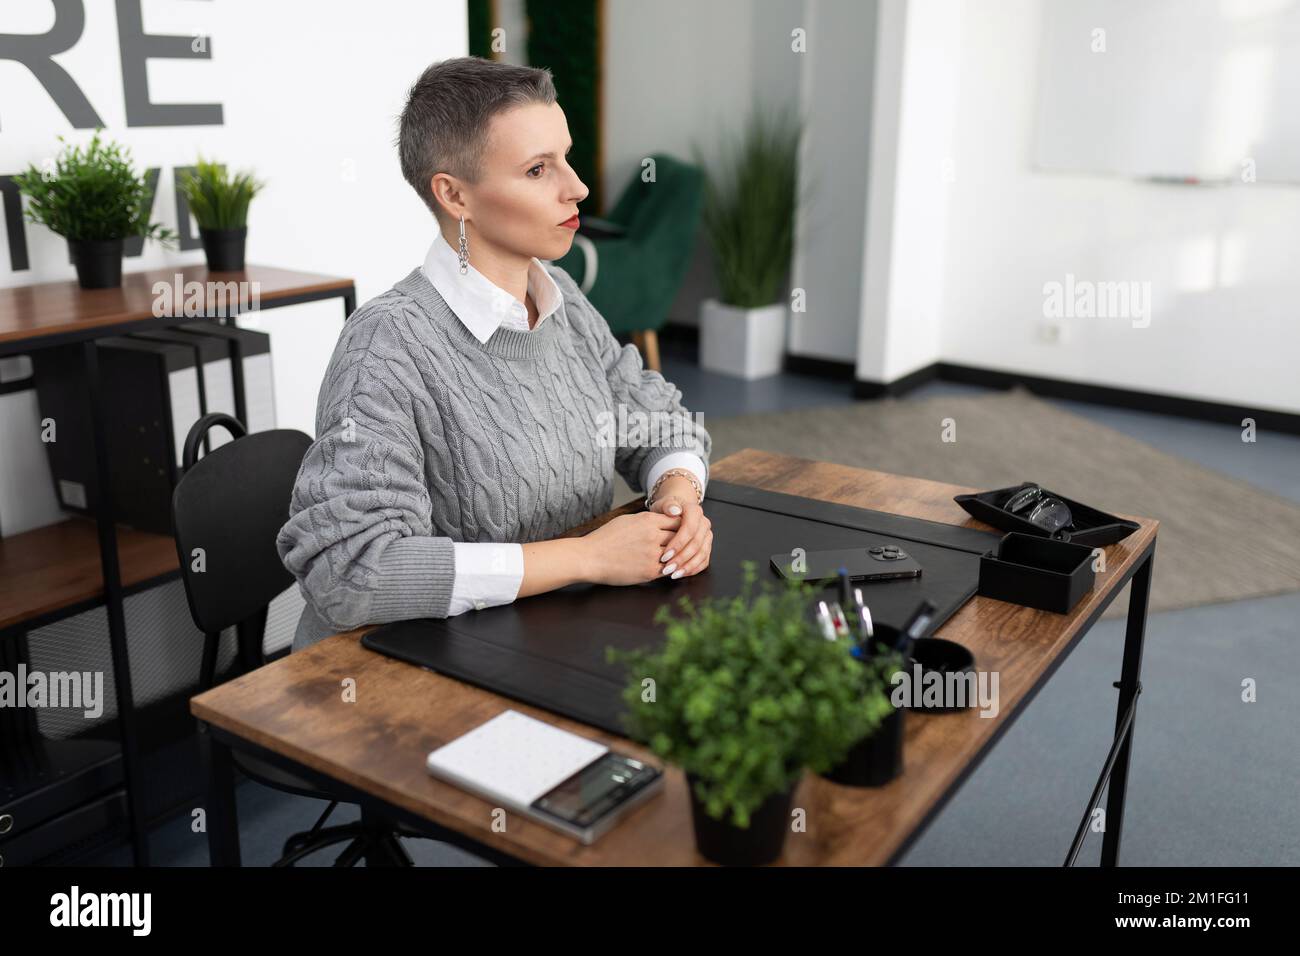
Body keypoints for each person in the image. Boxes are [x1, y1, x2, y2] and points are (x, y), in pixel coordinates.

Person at [276, 56, 713, 650]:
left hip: (540, 639)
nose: (578, 187)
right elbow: (351, 572)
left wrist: (676, 494)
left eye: (565, 157)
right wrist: (584, 558)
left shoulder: (562, 300)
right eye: (538, 169)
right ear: (455, 195)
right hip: (396, 677)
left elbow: (653, 416)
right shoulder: (385, 346)